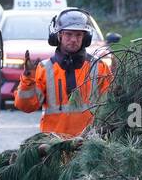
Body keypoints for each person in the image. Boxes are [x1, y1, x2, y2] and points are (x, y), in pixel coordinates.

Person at [13, 8, 113, 137]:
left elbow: (111, 107)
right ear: (58, 36)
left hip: (90, 144)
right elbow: (26, 107)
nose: (73, 39)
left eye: (78, 35)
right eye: (68, 34)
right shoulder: (44, 69)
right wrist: (28, 78)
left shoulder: (99, 67)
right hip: (53, 145)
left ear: (85, 38)